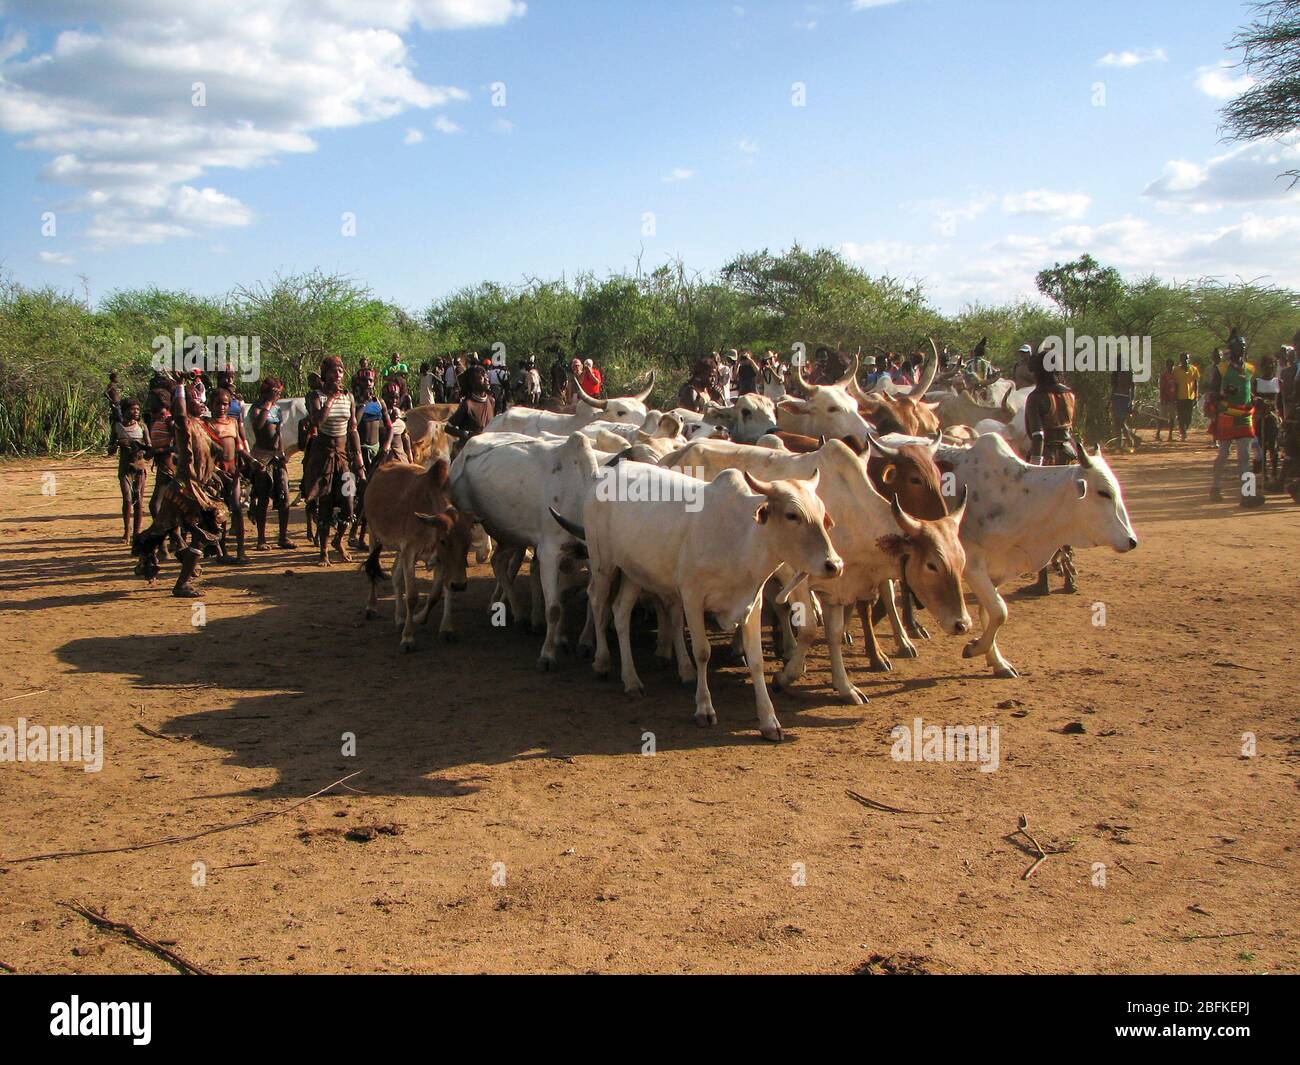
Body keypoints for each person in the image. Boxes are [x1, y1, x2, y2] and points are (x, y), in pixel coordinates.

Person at [132, 377, 229, 597]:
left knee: (161, 529)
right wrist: (180, 389)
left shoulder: (203, 425)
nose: (200, 401)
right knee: (207, 527)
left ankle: (151, 560)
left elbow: (213, 454)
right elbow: (180, 413)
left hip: (188, 488)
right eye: (194, 399)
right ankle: (181, 581)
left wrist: (218, 473)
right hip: (187, 489)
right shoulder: (185, 424)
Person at [1023, 351, 1079, 594]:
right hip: (1070, 457)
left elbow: (1037, 436)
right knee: (1065, 516)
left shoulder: (1036, 397)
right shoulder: (1069, 393)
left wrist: (1034, 467)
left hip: (1047, 459)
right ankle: (1069, 578)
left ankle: (1042, 580)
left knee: (1041, 518)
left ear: (1037, 371)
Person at [302, 356, 366, 565]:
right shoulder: (316, 396)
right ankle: (323, 552)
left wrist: (359, 460)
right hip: (323, 455)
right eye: (333, 371)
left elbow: (353, 429)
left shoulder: (348, 397)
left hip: (342, 456)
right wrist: (330, 400)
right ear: (325, 374)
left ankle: (339, 540)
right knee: (326, 502)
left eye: (340, 371)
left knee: (349, 501)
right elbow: (318, 420)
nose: (337, 375)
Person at [1208, 337, 1263, 507]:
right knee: (1223, 454)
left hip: (1245, 416)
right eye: (1239, 346)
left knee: (1244, 456)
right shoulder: (1222, 369)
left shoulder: (1250, 369)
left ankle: (1248, 495)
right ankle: (1215, 487)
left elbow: (1249, 393)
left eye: (1244, 346)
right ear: (1231, 349)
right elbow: (1212, 394)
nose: (1242, 348)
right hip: (1226, 416)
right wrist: (1224, 393)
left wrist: (1256, 400)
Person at [248, 377, 295, 551]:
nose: (277, 396)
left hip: (276, 456)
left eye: (279, 394)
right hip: (262, 456)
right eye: (275, 393)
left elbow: (279, 433)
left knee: (284, 496)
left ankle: (282, 537)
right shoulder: (257, 408)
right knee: (263, 497)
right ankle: (261, 538)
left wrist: (282, 452)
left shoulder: (277, 409)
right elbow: (259, 426)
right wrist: (267, 405)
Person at [205, 387, 251, 564]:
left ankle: (241, 550)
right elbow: (205, 452)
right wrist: (215, 472)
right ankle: (221, 552)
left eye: (225, 404)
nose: (222, 407)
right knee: (220, 514)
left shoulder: (232, 422)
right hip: (215, 475)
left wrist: (251, 460)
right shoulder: (206, 425)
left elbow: (239, 446)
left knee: (237, 510)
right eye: (218, 404)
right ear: (210, 404)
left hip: (233, 472)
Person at [114, 398, 150, 542]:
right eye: (132, 409)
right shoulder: (117, 427)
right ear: (124, 411)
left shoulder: (142, 426)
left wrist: (138, 446)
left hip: (139, 469)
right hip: (124, 469)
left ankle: (137, 532)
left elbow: (149, 447)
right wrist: (117, 444)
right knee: (127, 499)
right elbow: (110, 449)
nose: (136, 412)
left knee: (139, 501)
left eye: (137, 409)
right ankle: (126, 532)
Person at [446, 363, 496, 449]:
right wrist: (467, 434)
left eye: (486, 376)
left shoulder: (491, 401)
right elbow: (448, 428)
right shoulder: (468, 404)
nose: (487, 379)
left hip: (486, 448)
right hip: (469, 451)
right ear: (473, 383)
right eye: (482, 378)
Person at [1171, 352, 1200, 443]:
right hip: (1179, 397)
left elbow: (1196, 383)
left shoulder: (1193, 369)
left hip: (1190, 397)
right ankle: (1183, 433)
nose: (1185, 361)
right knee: (1180, 416)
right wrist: (1174, 396)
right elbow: (1174, 384)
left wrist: (1196, 396)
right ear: (1180, 360)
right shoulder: (1175, 370)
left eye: (1187, 359)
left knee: (1189, 417)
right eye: (1183, 359)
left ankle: (1185, 429)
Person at [1110, 364, 1137, 452]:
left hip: (1124, 398)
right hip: (1117, 398)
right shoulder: (1115, 373)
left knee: (1120, 421)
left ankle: (1125, 441)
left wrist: (1132, 401)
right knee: (1118, 421)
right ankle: (1123, 442)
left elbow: (1132, 387)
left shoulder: (1128, 373)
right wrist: (1110, 401)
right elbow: (1113, 388)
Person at [1156, 360, 1177, 443]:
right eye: (1169, 365)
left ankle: (1170, 436)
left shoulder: (1174, 376)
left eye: (1171, 365)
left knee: (1172, 418)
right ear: (1166, 366)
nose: (1170, 367)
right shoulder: (1163, 376)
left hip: (1172, 400)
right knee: (1162, 418)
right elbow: (1162, 388)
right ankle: (1158, 434)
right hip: (1165, 400)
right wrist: (1163, 399)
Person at [105, 372, 122, 456]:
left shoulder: (113, 385)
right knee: (120, 421)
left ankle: (112, 448)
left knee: (117, 424)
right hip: (116, 406)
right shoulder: (111, 385)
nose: (118, 379)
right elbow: (105, 393)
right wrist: (111, 401)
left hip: (117, 405)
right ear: (113, 378)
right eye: (117, 377)